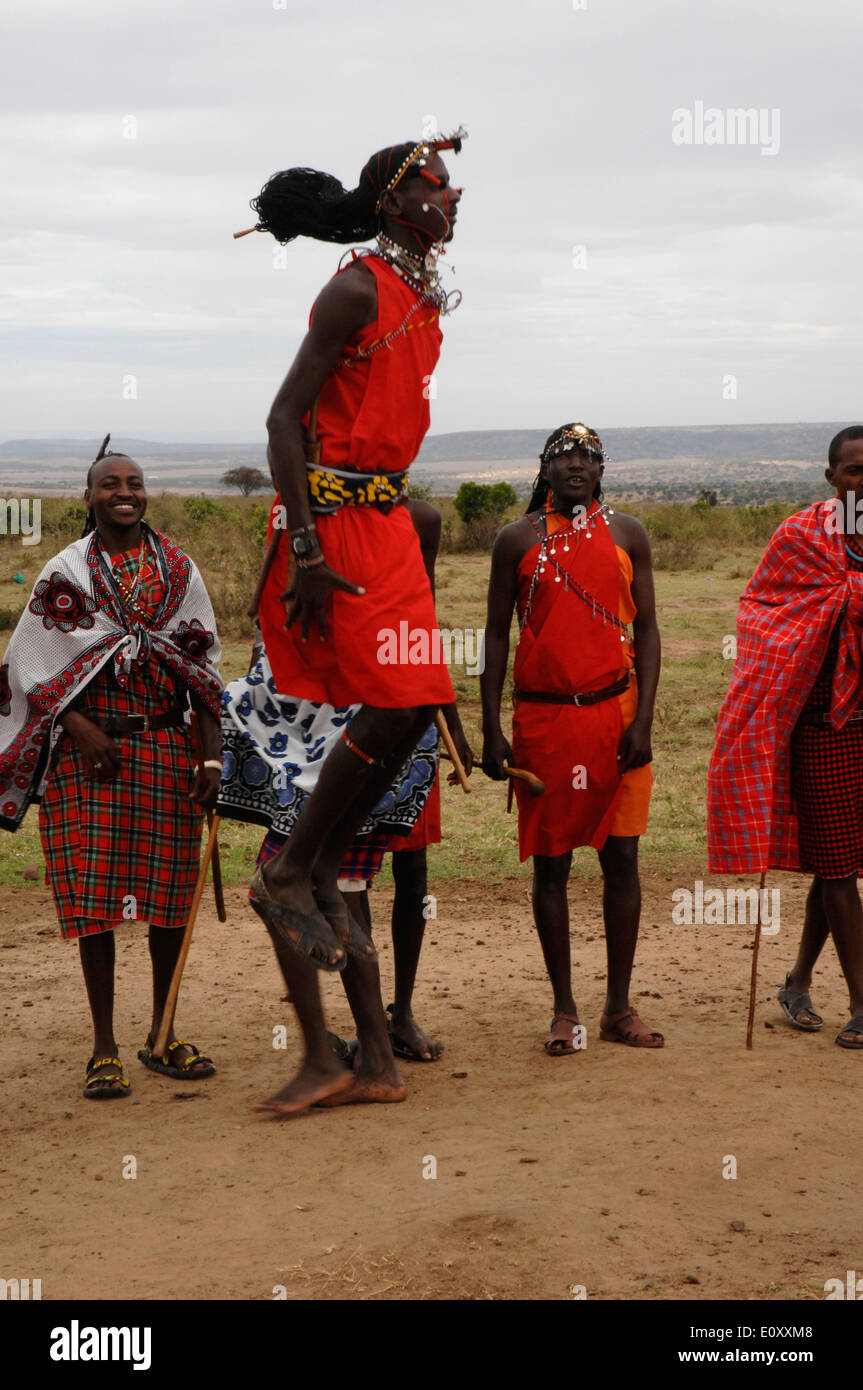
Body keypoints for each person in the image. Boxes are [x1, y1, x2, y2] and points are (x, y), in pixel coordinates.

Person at [235, 129, 467, 1112]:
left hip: (384, 516)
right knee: (397, 695)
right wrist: (307, 545)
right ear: (391, 201)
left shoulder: (417, 293)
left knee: (420, 700)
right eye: (435, 187)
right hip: (334, 521)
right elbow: (282, 417)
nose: (452, 200)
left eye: (453, 188)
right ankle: (291, 867)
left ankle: (317, 861)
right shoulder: (355, 287)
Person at [0, 437, 223, 1099]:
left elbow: (202, 673)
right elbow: (27, 668)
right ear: (88, 496)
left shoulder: (179, 573)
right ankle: (103, 1049)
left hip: (165, 752)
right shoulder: (64, 576)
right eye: (110, 484)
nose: (124, 492)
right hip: (87, 761)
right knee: (94, 900)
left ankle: (163, 1035)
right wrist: (78, 724)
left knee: (167, 900)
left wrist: (210, 755)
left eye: (134, 482)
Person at [480, 424, 663, 1054]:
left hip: (615, 717)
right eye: (565, 457)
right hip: (545, 723)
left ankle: (618, 1006)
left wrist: (643, 722)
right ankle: (564, 1010)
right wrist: (490, 726)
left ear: (602, 468)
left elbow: (650, 632)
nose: (577, 465)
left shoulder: (628, 533)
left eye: (588, 456)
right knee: (551, 866)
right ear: (545, 470)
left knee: (623, 861)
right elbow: (496, 637)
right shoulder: (515, 540)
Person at [708, 426, 863, 1049]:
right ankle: (860, 1003)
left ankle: (797, 981)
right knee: (839, 869)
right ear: (831, 479)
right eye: (854, 471)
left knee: (842, 862)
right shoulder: (801, 539)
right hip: (820, 721)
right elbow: (762, 612)